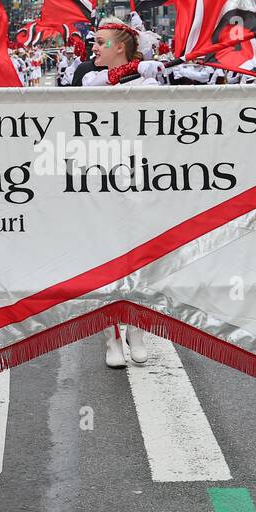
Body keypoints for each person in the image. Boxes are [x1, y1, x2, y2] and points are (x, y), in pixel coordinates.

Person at [76, 20, 166, 368]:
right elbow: (92, 86)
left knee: (139, 260)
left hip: (140, 182)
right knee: (105, 262)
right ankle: (111, 336)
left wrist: (143, 74)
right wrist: (132, 69)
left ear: (120, 47)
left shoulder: (149, 82)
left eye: (100, 43)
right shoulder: (89, 77)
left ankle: (137, 330)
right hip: (99, 181)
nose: (93, 48)